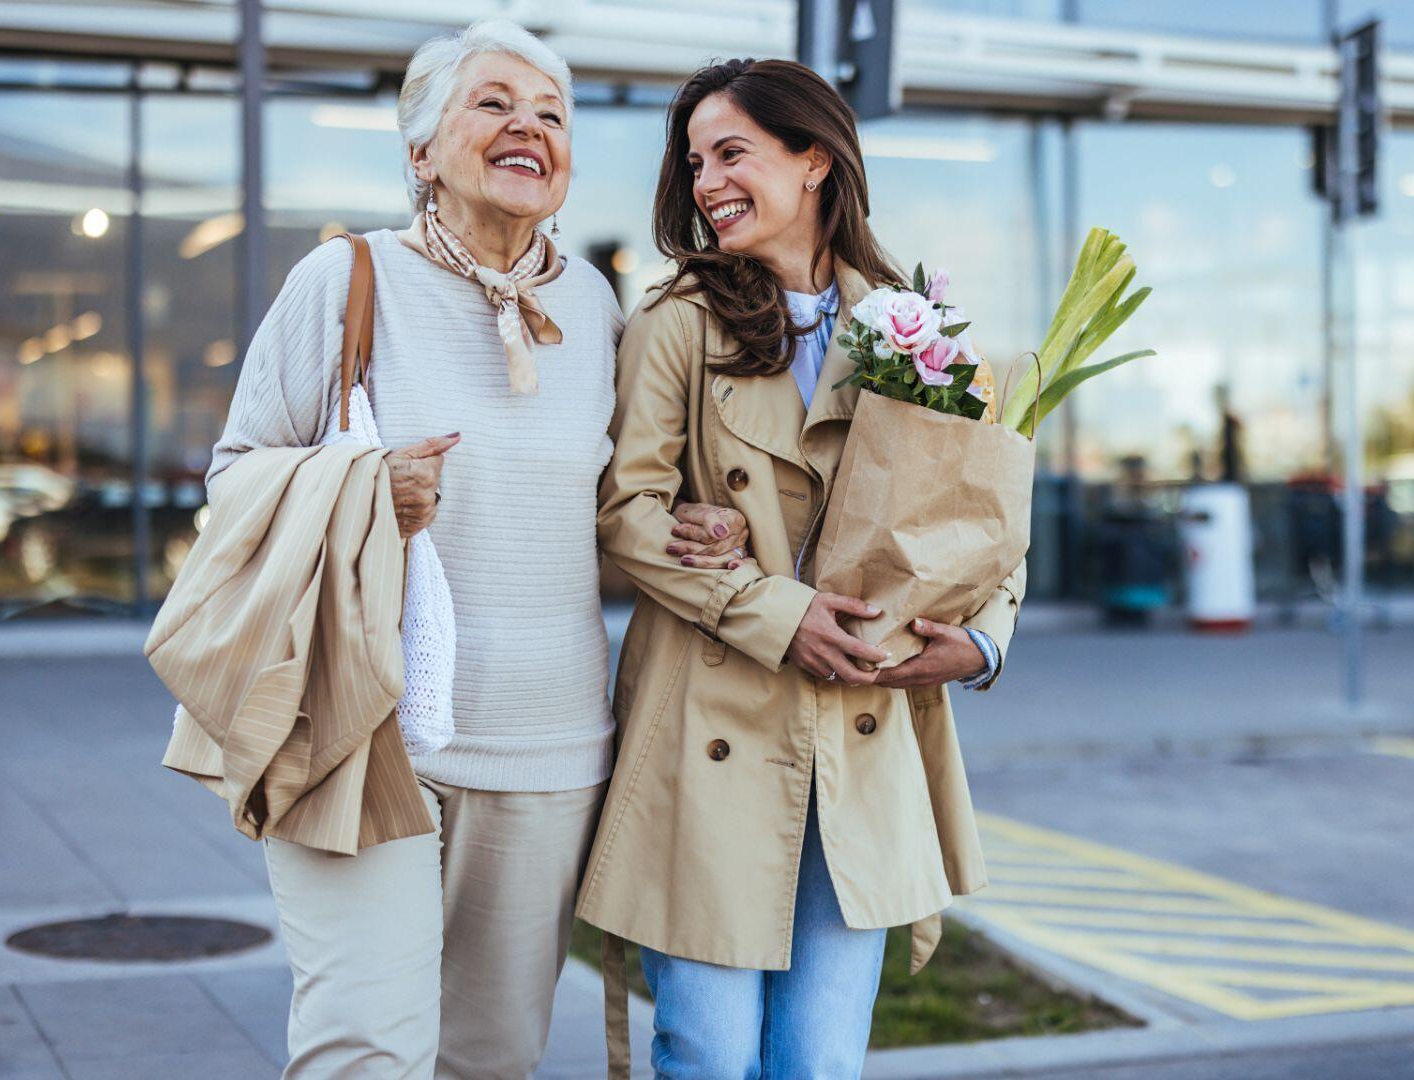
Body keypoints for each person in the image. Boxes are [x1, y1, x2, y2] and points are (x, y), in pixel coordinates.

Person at [201, 20, 745, 1078]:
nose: (527, 128)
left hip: (550, 743)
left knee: (493, 1058)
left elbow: (614, 507)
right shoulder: (345, 280)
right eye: (493, 103)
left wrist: (697, 525)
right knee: (367, 1049)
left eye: (551, 114)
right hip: (365, 728)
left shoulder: (594, 307)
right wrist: (366, 488)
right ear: (421, 151)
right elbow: (232, 478)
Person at [576, 58, 1024, 1077]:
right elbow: (625, 512)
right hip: (710, 731)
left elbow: (989, 511)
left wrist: (986, 639)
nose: (705, 182)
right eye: (694, 162)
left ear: (815, 158)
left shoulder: (918, 328)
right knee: (709, 1050)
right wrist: (774, 609)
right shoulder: (676, 321)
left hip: (858, 732)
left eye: (731, 153)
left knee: (821, 1062)